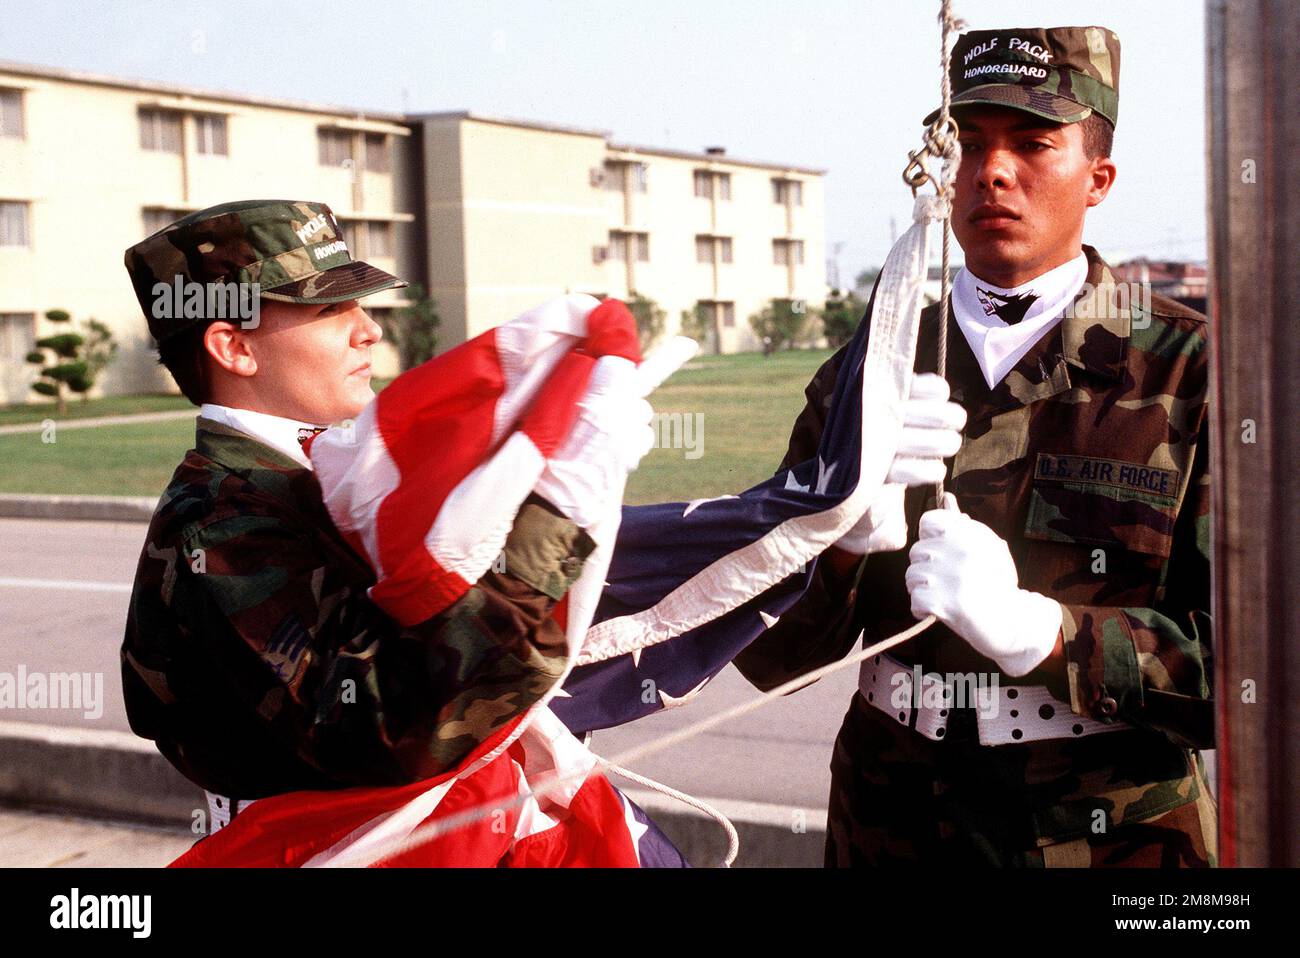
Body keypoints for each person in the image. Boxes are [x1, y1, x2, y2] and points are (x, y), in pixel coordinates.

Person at [735, 25, 1217, 867]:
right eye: (968, 144)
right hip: (891, 828)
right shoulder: (870, 369)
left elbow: (1258, 677)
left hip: (1113, 836)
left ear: (1098, 178)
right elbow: (771, 659)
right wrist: (839, 546)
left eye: (1034, 143)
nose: (992, 171)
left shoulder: (1197, 374)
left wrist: (1048, 636)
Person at [119, 199, 646, 832]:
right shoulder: (222, 519)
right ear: (233, 347)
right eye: (330, 309)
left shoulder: (325, 475)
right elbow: (386, 726)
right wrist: (559, 515)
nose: (368, 330)